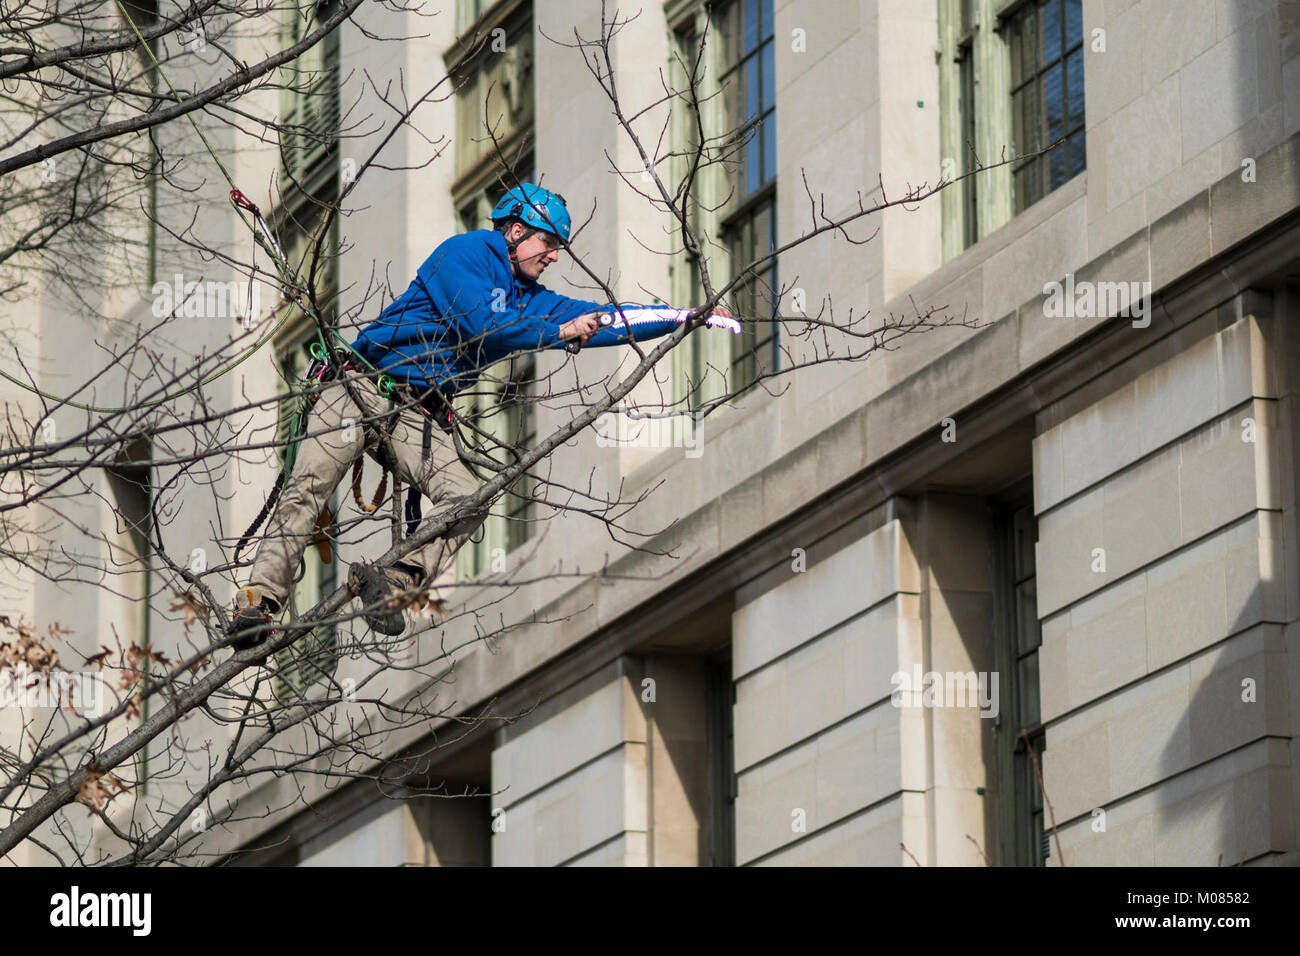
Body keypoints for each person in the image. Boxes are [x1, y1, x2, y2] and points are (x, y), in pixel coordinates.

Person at [226, 183, 737, 647]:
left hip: (416, 411)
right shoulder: (466, 254)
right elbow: (480, 325)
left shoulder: (529, 298)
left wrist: (681, 316)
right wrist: (557, 332)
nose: (555, 255)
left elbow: (605, 319)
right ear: (516, 232)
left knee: (468, 497)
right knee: (309, 485)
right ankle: (259, 603)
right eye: (548, 242)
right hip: (359, 382)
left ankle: (396, 584)